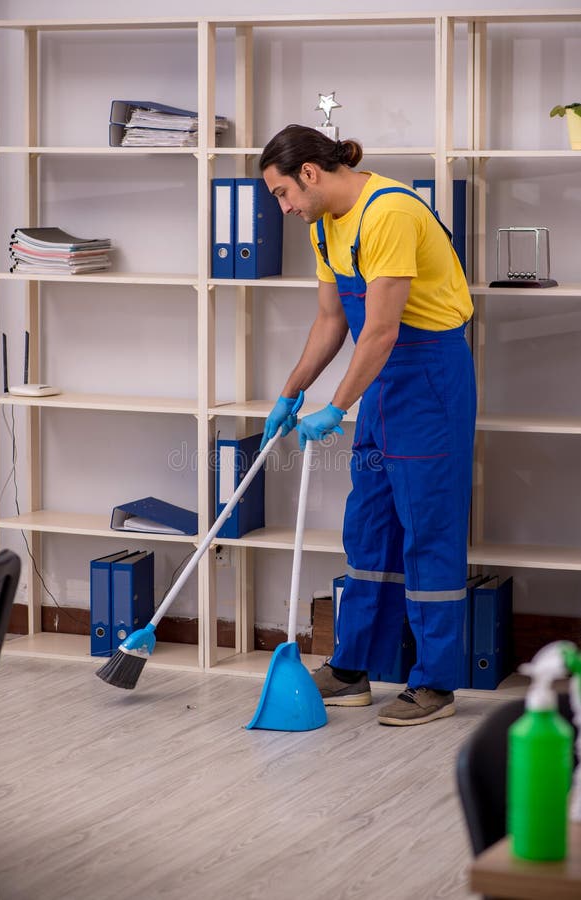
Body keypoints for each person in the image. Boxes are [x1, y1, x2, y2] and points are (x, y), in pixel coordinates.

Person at [259, 124, 476, 726]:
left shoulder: (390, 213)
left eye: (282, 194)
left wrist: (337, 408)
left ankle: (434, 682)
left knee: (428, 527)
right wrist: (291, 393)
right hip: (378, 378)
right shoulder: (325, 224)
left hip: (428, 377)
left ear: (309, 172)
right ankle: (354, 668)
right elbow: (333, 322)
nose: (284, 208)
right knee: (370, 524)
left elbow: (380, 330)